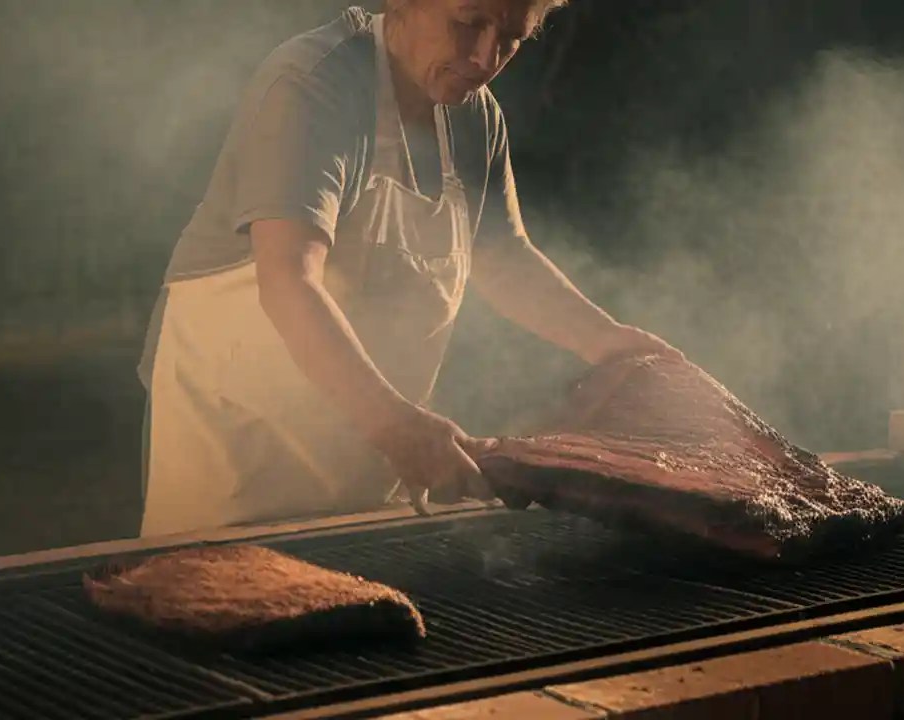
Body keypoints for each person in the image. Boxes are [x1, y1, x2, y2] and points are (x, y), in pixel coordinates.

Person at [136, 0, 678, 537]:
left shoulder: (476, 115)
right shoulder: (313, 84)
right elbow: (288, 280)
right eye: (468, 24)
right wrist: (393, 425)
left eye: (511, 39)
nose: (485, 58)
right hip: (237, 469)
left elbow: (503, 256)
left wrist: (610, 343)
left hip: (360, 474)